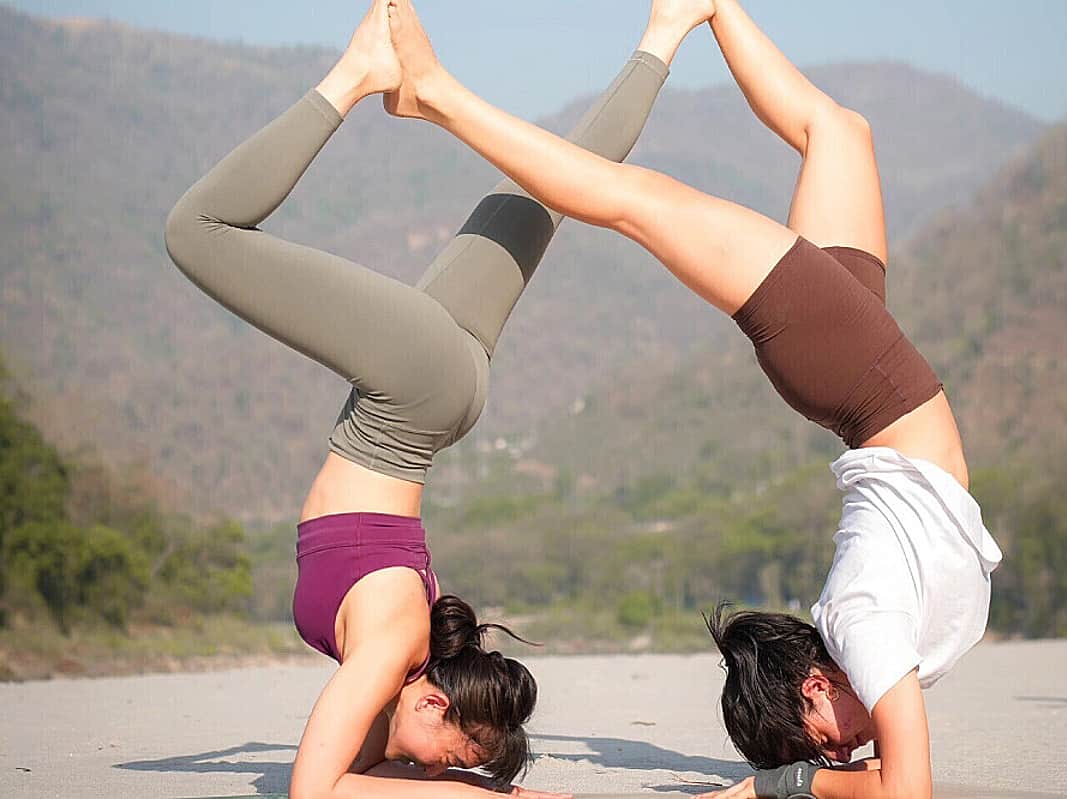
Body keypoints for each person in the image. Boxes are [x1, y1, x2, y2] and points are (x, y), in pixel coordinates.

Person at [381, 1, 1002, 797]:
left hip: (861, 380)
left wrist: (781, 786)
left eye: (827, 746)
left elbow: (895, 787)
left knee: (634, 201)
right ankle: (705, 6)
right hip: (865, 387)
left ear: (814, 686)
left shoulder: (864, 632)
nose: (846, 752)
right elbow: (896, 784)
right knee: (839, 133)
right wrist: (794, 782)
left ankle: (433, 92)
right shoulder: (871, 641)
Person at [163, 1, 680, 796]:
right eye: (445, 753)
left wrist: (471, 785)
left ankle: (667, 33)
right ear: (435, 699)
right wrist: (481, 795)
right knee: (196, 230)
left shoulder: (402, 660)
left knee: (557, 183)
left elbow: (362, 772)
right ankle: (359, 72)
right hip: (414, 387)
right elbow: (320, 790)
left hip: (450, 383)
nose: (425, 765)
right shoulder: (392, 648)